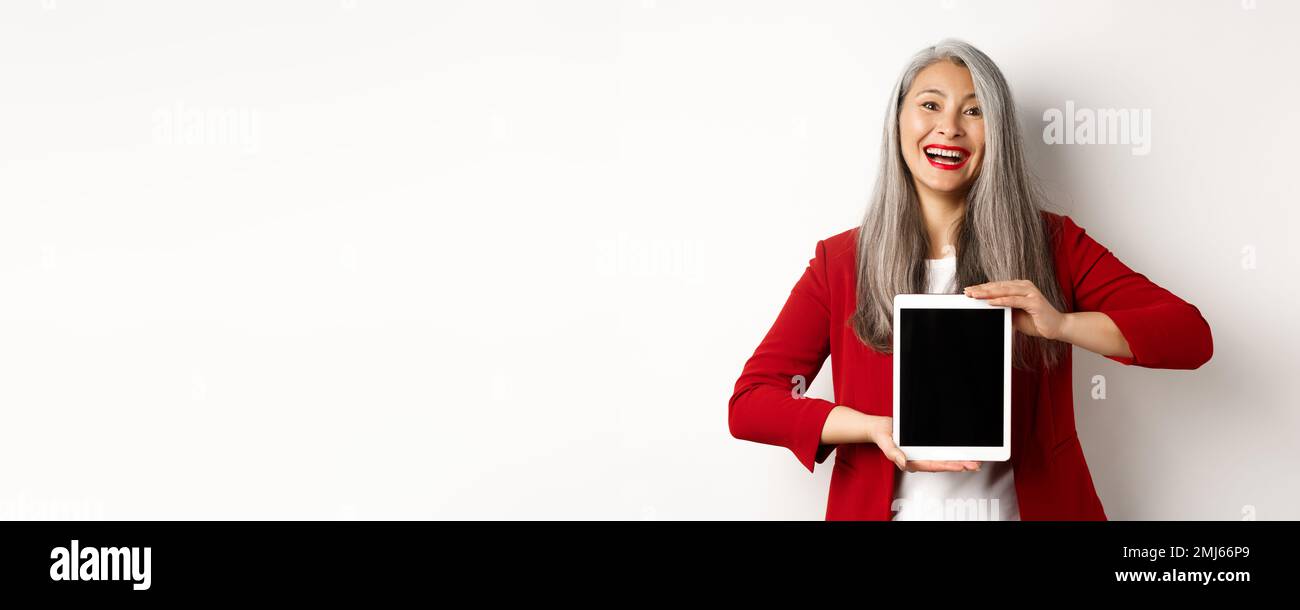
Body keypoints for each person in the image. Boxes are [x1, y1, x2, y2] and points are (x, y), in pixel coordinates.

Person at [727, 39, 1213, 520]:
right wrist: (872, 428)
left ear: (996, 133)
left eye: (974, 111)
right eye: (930, 105)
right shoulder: (841, 261)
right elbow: (751, 402)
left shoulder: (1052, 244)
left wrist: (1060, 324)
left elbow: (1190, 336)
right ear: (899, 120)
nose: (949, 128)